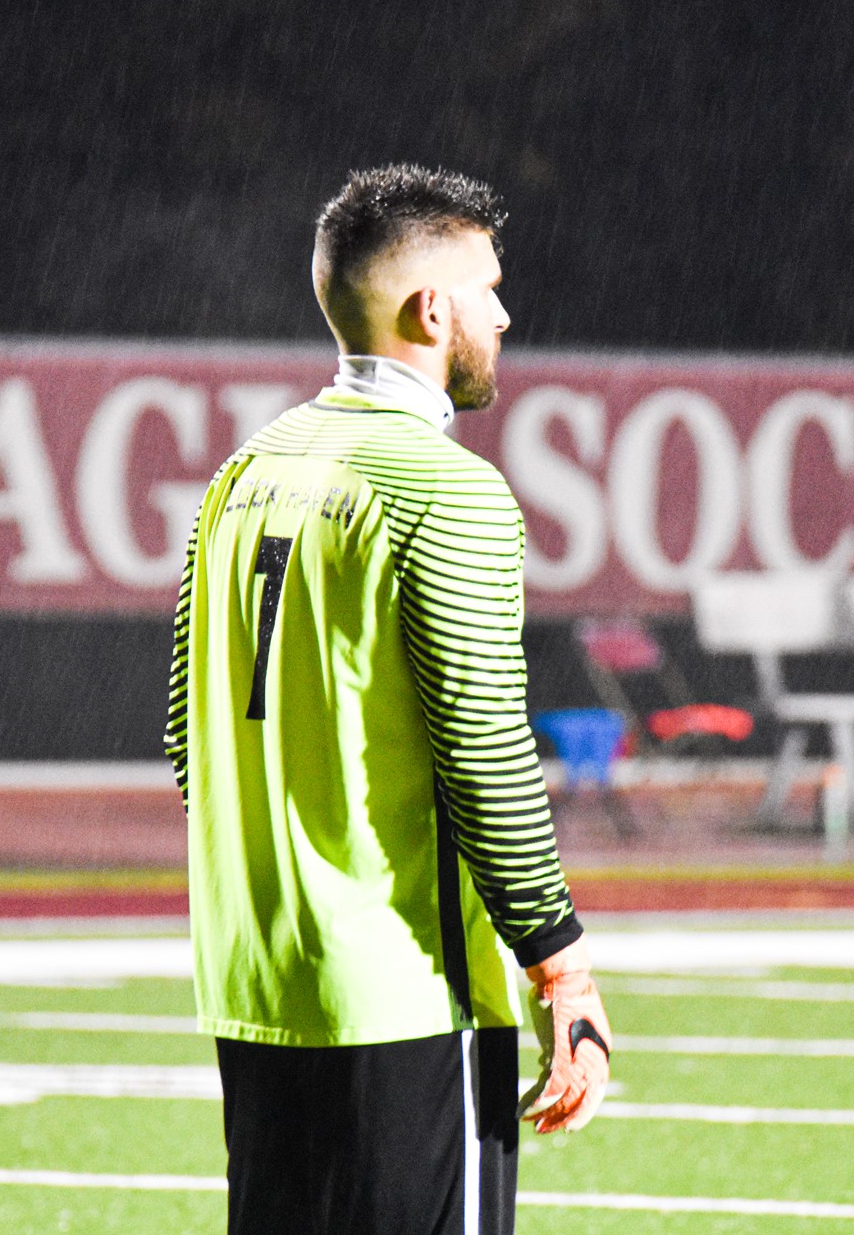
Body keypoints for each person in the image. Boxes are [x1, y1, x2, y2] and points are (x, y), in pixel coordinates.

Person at [165, 164, 611, 1235]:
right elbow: (484, 748)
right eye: (490, 288)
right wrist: (564, 962)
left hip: (256, 984)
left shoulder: (241, 472)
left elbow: (191, 739)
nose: (505, 313)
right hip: (404, 987)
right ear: (432, 309)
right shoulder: (446, 487)